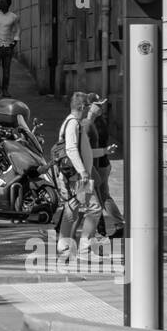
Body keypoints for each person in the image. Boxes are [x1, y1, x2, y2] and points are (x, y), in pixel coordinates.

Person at [55, 92, 102, 258]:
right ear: (82, 107)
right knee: (94, 208)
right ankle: (84, 247)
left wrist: (103, 151)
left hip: (76, 175)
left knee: (72, 208)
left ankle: (64, 245)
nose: (88, 109)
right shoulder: (73, 124)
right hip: (77, 176)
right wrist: (82, 171)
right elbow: (71, 149)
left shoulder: (73, 123)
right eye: (87, 106)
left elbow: (84, 151)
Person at [84, 93, 124, 238]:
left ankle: (102, 229)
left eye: (99, 105)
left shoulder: (93, 123)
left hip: (98, 165)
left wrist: (89, 118)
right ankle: (116, 225)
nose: (100, 107)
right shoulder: (99, 121)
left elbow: (89, 148)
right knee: (101, 196)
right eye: (98, 105)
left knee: (92, 198)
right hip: (103, 164)